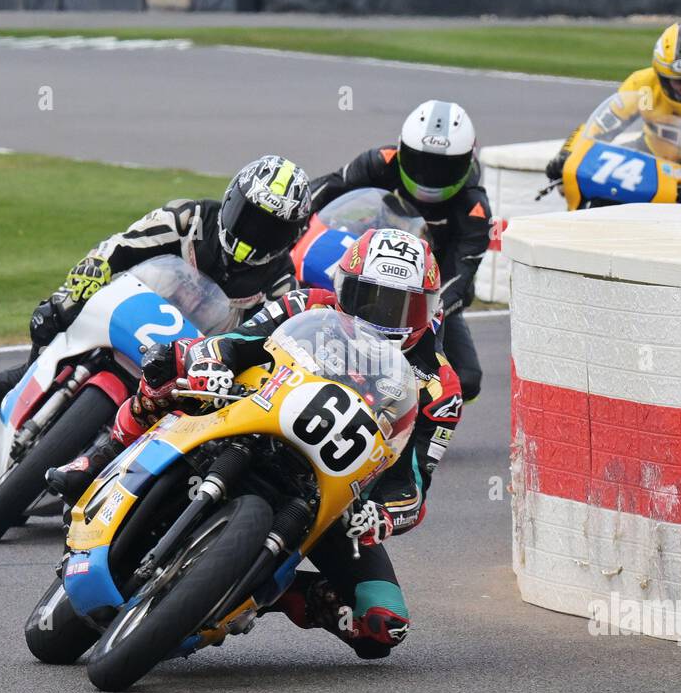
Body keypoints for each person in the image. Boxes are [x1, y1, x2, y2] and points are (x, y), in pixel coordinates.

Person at [47, 228, 464, 659]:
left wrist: (382, 517)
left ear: (427, 309)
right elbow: (240, 341)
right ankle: (97, 458)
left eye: (403, 306)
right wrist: (206, 360)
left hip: (332, 496)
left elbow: (412, 483)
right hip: (249, 414)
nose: (384, 317)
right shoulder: (307, 304)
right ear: (344, 287)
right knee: (165, 373)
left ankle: (270, 593)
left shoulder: (441, 388)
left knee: (383, 627)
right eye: (370, 297)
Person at [0, 155, 312, 409]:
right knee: (59, 309)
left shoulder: (281, 282)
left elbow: (265, 347)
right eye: (247, 217)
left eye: (268, 230)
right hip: (135, 310)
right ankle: (33, 367)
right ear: (230, 199)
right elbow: (122, 246)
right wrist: (91, 270)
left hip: (188, 363)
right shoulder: (190, 217)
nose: (252, 234)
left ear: (290, 237)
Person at [308, 100, 490, 404]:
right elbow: (325, 189)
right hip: (364, 277)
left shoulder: (474, 208)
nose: (430, 175)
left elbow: (459, 277)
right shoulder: (382, 161)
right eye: (421, 162)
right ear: (403, 150)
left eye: (444, 167)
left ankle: (407, 415)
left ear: (466, 161)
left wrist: (428, 311)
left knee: (468, 380)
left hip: (427, 299)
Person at [546, 21, 681, 203]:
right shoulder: (644, 85)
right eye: (676, 82)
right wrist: (567, 154)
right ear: (661, 76)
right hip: (650, 167)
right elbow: (598, 129)